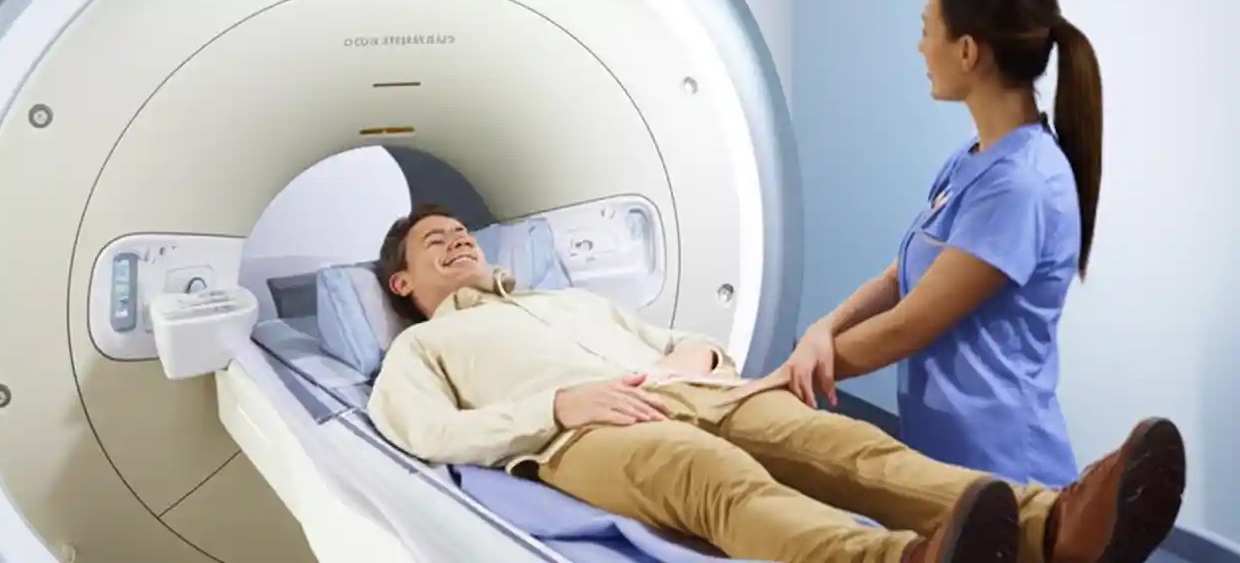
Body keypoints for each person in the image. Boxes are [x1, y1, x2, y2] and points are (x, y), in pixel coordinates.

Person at [365, 203, 1185, 563]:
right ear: (401, 283)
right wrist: (556, 405)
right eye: (436, 240)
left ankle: (1056, 528)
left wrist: (697, 359)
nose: (458, 240)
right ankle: (895, 562)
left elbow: (678, 339)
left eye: (463, 231)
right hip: (585, 433)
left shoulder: (569, 299)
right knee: (712, 479)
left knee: (845, 445)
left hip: (690, 389)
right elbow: (426, 434)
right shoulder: (425, 349)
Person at [781, 0, 1104, 488]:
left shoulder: (1022, 184)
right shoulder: (973, 159)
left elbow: (910, 326)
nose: (920, 46)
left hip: (1006, 472)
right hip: (947, 462)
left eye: (928, 29)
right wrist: (821, 330)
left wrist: (799, 372)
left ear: (968, 52)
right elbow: (899, 278)